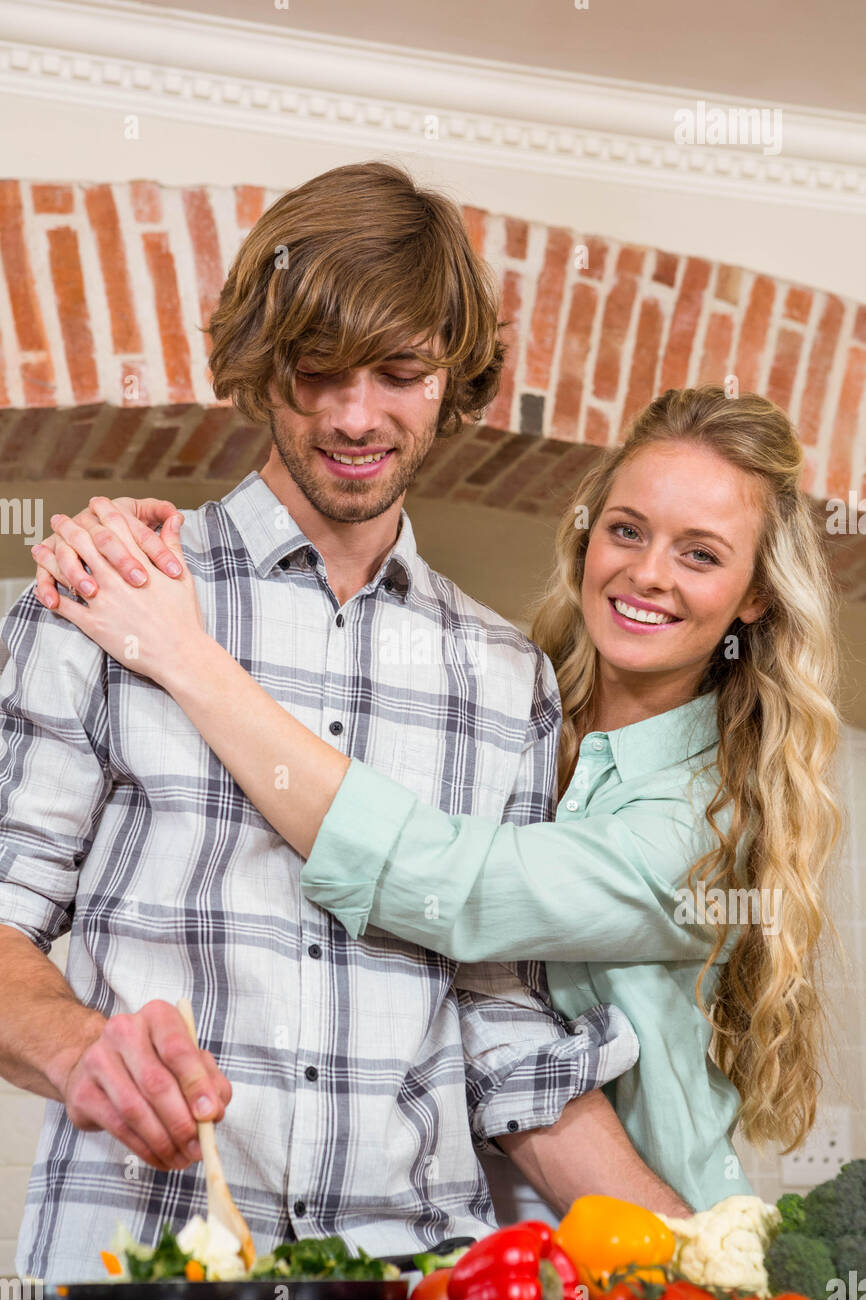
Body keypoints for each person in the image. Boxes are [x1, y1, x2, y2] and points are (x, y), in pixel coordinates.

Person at [1, 161, 687, 1285]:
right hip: (142, 1258)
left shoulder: (503, 677)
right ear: (260, 367)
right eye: (315, 372)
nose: (355, 415)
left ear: (454, 378)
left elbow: (499, 1030)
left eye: (401, 371)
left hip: (419, 1267)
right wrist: (79, 1046)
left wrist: (704, 1262)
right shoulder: (108, 594)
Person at [35, 381, 844, 1214]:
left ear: (755, 595)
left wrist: (182, 651)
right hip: (502, 1239)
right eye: (628, 530)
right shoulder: (511, 700)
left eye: (701, 554)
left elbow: (453, 888)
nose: (647, 573)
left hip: (652, 1225)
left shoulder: (706, 823)